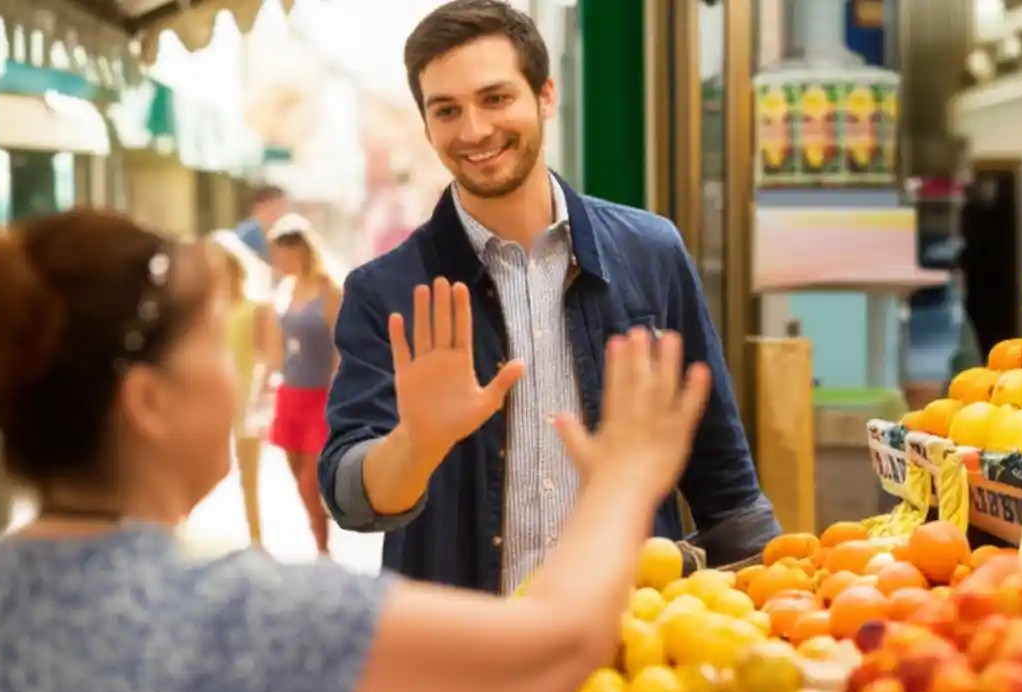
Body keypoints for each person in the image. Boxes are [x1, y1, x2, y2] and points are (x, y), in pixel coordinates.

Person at [0, 209, 711, 692]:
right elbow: (553, 650)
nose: (239, 369)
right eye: (213, 341)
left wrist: (416, 443)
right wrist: (626, 480)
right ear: (147, 402)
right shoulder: (238, 615)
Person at [321, 0, 780, 593]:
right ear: (428, 124)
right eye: (447, 110)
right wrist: (416, 443)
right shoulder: (384, 291)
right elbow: (349, 497)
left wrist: (780, 602)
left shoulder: (650, 254)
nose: (474, 130)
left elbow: (724, 480)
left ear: (545, 95)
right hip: (462, 651)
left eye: (496, 98)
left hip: (630, 637)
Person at [267, 214, 339, 556]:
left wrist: (338, 393)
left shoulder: (330, 290)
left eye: (286, 253)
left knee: (312, 482)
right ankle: (318, 538)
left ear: (303, 250)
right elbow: (277, 346)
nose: (280, 261)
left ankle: (324, 550)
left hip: (320, 397)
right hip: (289, 395)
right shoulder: (285, 289)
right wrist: (265, 383)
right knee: (298, 480)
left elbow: (342, 347)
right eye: (277, 254)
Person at [207, 229, 276, 546]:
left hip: (248, 398)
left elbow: (270, 356)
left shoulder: (256, 307)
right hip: (215, 396)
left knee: (250, 477)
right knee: (207, 470)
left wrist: (259, 397)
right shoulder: (209, 310)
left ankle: (256, 540)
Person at [234, 184, 288, 264]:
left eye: (281, 207)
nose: (279, 212)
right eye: (275, 206)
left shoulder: (281, 234)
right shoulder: (246, 233)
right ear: (259, 206)